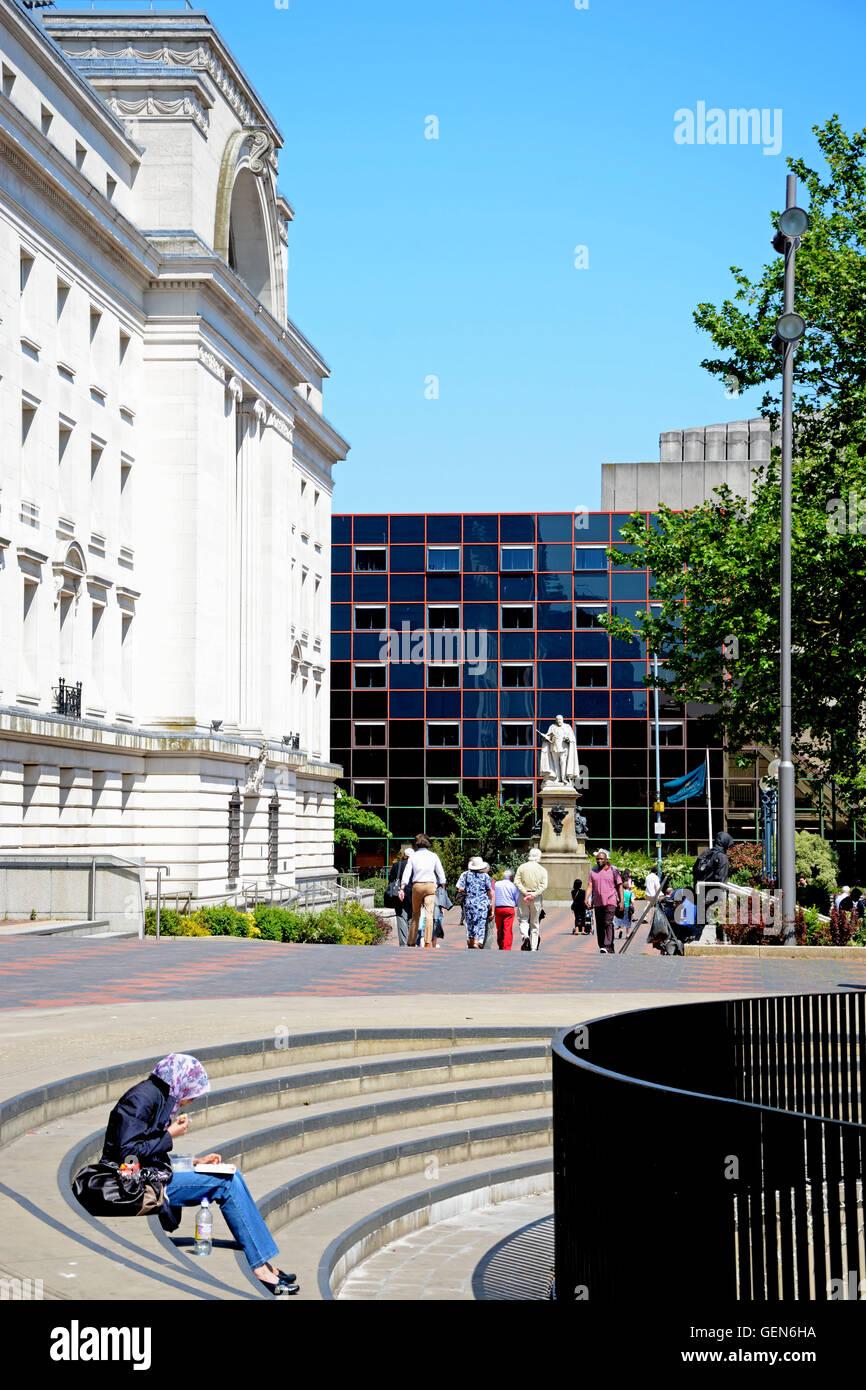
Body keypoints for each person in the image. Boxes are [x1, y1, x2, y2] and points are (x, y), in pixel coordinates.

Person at [99, 1054, 298, 1296]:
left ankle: (263, 1260)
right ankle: (260, 1268)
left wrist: (195, 1162)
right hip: (131, 1184)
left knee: (231, 1175)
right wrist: (170, 1134)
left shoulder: (160, 1096)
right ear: (180, 1080)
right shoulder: (141, 1099)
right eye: (192, 1091)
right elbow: (127, 1156)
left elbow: (149, 1153)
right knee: (226, 1183)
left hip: (148, 1175)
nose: (192, 1099)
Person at [399, 834, 446, 948]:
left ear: (417, 843)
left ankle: (411, 941)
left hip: (417, 886)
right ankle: (428, 941)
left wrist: (402, 887)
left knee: (415, 915)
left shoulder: (413, 857)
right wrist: (443, 884)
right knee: (429, 915)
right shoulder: (433, 856)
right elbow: (440, 872)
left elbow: (407, 872)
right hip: (430, 885)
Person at [587, 848, 624, 955]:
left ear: (606, 860)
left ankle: (607, 946)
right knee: (600, 925)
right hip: (598, 902)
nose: (599, 861)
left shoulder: (613, 870)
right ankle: (603, 946)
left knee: (608, 923)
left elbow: (620, 886)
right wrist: (587, 898)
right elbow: (590, 886)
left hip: (611, 901)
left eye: (602, 859)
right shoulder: (593, 871)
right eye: (597, 859)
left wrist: (622, 901)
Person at [456, 856, 495, 949]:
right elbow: (490, 891)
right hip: (482, 903)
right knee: (480, 922)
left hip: (469, 902)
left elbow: (460, 888)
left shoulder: (465, 875)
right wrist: (492, 906)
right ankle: (478, 941)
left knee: (470, 923)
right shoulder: (485, 876)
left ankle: (472, 940)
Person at [515, 847, 548, 951]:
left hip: (523, 896)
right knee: (535, 923)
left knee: (523, 919)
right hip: (536, 898)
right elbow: (544, 885)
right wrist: (534, 894)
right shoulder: (542, 870)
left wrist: (525, 892)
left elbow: (517, 881)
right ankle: (534, 947)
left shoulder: (522, 867)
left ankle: (525, 935)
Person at [386, 847, 412, 947]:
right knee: (412, 918)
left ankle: (403, 944)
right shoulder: (415, 865)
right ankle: (411, 942)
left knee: (401, 917)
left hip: (400, 895)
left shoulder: (397, 865)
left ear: (404, 855)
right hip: (413, 895)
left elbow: (391, 879)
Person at [494, 868, 519, 950]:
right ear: (511, 877)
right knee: (507, 929)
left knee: (499, 928)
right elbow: (517, 898)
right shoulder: (513, 886)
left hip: (498, 908)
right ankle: (506, 947)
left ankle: (500, 944)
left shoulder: (497, 884)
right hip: (509, 908)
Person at [614, 872, 635, 939]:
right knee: (628, 921)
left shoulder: (620, 892)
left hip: (621, 907)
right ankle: (627, 934)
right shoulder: (630, 893)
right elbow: (632, 900)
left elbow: (617, 898)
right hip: (628, 907)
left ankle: (621, 930)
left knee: (622, 919)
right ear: (628, 886)